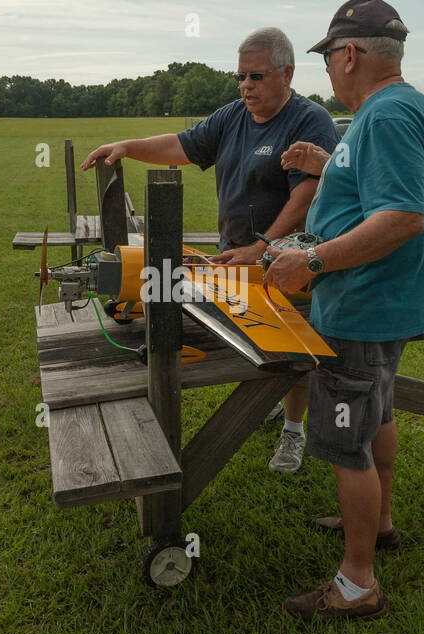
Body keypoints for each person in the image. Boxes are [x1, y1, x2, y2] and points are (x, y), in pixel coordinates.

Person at [264, 0, 424, 620]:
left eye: (327, 58)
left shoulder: (387, 116)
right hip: (388, 305)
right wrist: (329, 164)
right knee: (377, 415)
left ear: (350, 54)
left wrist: (310, 262)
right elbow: (379, 187)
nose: (326, 71)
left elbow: (401, 216)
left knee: (347, 442)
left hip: (363, 307)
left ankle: (356, 582)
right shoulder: (401, 110)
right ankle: (383, 524)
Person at [82, 28, 338, 473]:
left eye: (256, 76)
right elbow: (181, 145)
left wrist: (263, 247)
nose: (246, 86)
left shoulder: (309, 120)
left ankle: (294, 431)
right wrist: (128, 147)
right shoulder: (233, 116)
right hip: (233, 254)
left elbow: (308, 194)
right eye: (240, 77)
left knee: (293, 344)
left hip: (287, 261)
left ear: (287, 73)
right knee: (251, 337)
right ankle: (272, 400)